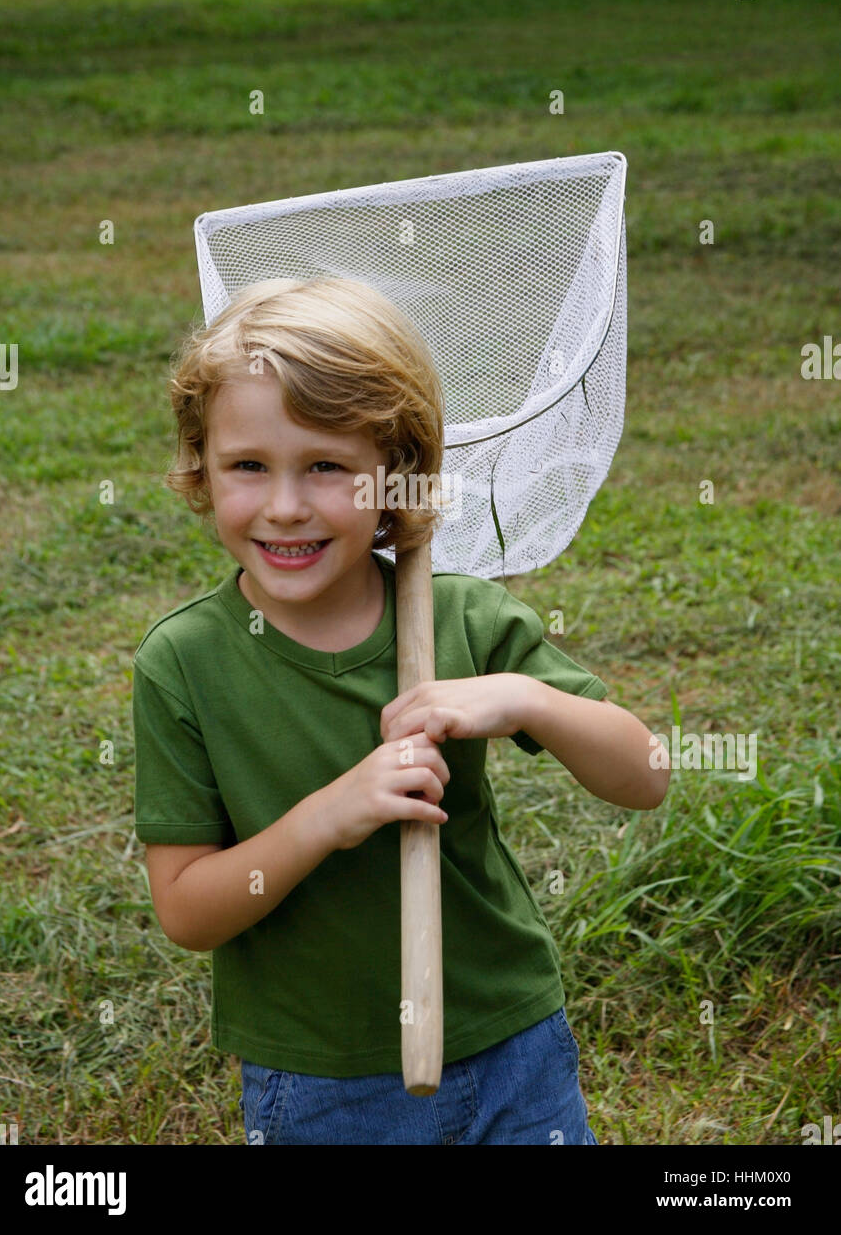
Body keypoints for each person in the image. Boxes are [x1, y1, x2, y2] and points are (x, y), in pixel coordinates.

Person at [132, 275, 669, 1146]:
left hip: (510, 1044)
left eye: (327, 466)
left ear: (399, 478)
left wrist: (526, 697)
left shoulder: (466, 619)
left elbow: (646, 778)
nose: (285, 505)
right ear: (200, 467)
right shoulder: (184, 664)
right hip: (321, 1076)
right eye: (248, 466)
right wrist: (329, 816)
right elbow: (189, 911)